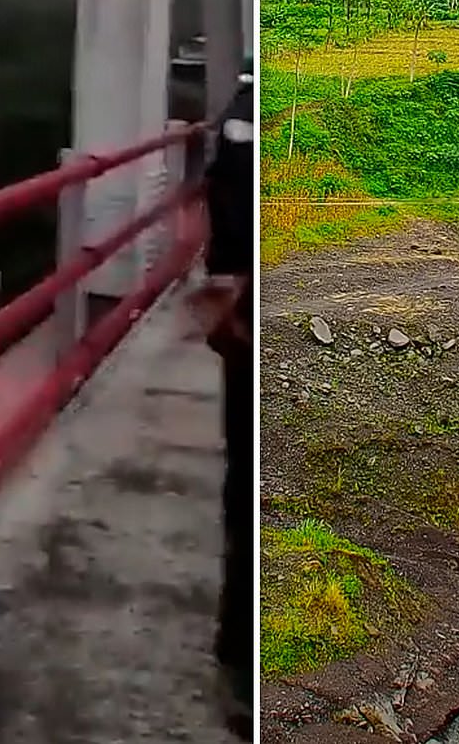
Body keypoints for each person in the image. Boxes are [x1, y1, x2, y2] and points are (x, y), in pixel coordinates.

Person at [199, 66, 255, 728]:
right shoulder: (250, 113)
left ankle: (237, 649)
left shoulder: (242, 110)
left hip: (246, 321)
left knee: (242, 483)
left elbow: (221, 200)